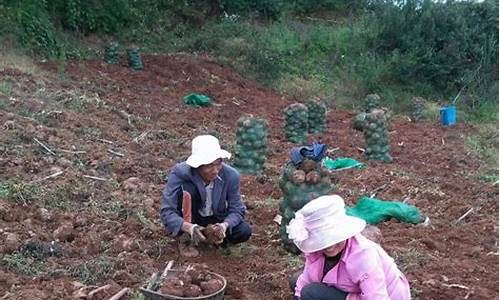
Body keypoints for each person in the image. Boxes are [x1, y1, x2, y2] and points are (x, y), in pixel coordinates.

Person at [286, 195, 411, 300]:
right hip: (349, 289)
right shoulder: (317, 250)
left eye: (333, 239)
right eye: (323, 240)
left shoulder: (363, 256)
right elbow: (306, 279)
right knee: (296, 282)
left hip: (384, 295)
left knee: (311, 292)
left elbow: (376, 297)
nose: (329, 246)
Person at [160, 135, 252, 257]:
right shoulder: (180, 174)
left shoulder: (231, 175)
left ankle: (214, 241)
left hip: (216, 217)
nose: (215, 170)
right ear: (198, 165)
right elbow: (167, 211)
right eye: (209, 165)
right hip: (191, 218)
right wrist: (189, 228)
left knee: (243, 231)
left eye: (218, 163)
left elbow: (237, 209)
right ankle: (186, 239)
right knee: (189, 190)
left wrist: (224, 226)